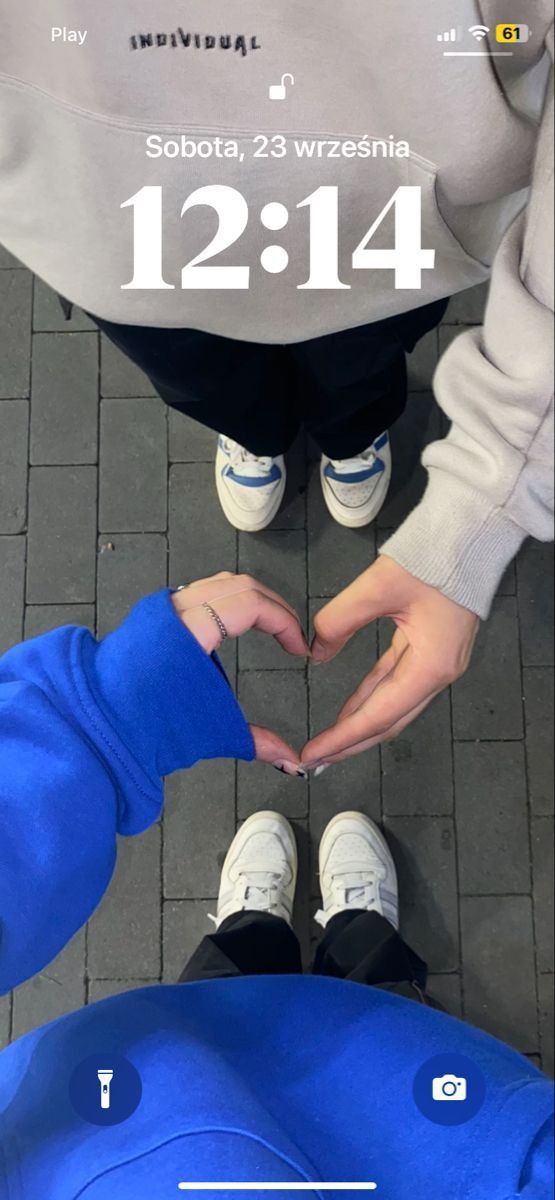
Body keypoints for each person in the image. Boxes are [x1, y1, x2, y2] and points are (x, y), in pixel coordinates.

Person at [0, 3, 553, 764]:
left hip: (389, 230)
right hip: (118, 234)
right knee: (204, 384)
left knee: (359, 375)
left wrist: (496, 485)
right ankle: (258, 434)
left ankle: (347, 437)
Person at [0, 585, 553, 1198]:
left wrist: (100, 722)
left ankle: (255, 932)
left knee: (228, 988)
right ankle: (358, 932)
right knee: (386, 998)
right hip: (437, 1134)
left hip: (172, 1072)